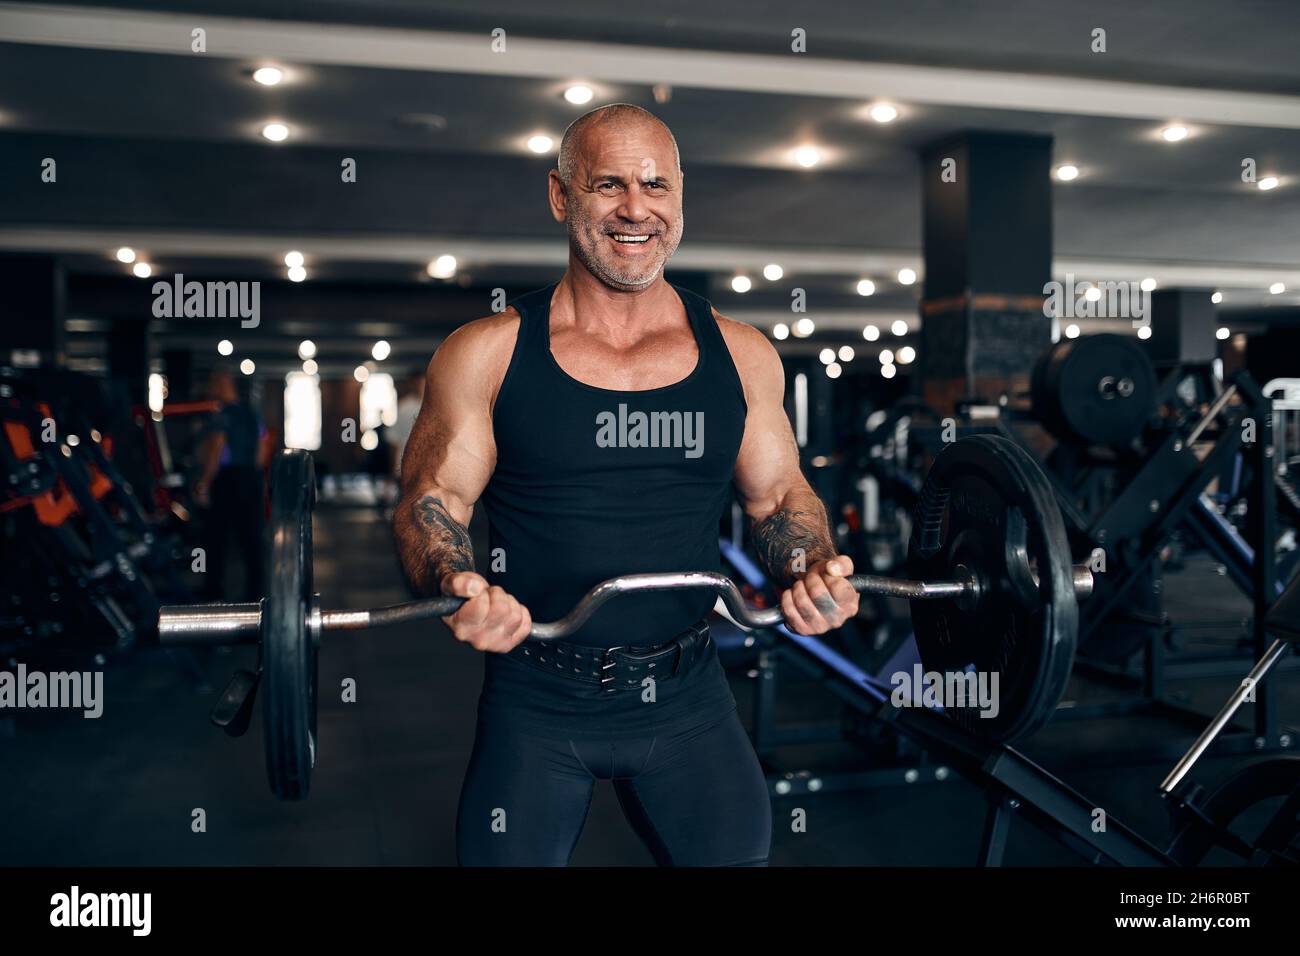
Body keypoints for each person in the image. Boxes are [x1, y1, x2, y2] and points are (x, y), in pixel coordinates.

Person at [393, 104, 859, 866]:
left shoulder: (741, 355)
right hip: (537, 693)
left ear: (680, 198)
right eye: (608, 184)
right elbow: (432, 499)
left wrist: (809, 569)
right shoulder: (488, 352)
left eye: (655, 185)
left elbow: (779, 499)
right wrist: (457, 581)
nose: (635, 208)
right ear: (559, 196)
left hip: (688, 694)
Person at [195, 368, 267, 602]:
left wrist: (205, 482)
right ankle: (256, 595)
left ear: (225, 383)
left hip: (228, 480)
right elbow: (263, 445)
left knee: (216, 538)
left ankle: (212, 592)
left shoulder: (222, 414)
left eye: (214, 383)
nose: (210, 389)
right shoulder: (251, 414)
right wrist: (254, 473)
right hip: (250, 478)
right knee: (251, 539)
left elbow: (217, 446)